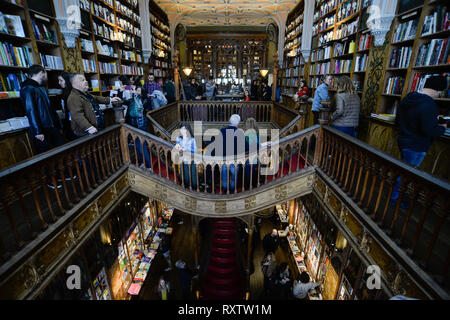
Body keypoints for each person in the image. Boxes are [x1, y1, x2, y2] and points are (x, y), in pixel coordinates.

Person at [391, 75, 447, 205]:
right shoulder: (429, 104)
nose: (439, 94)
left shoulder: (408, 98)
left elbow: (398, 120)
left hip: (403, 140)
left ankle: (396, 197)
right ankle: (395, 199)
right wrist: (443, 128)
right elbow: (429, 131)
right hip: (417, 145)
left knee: (404, 171)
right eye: (440, 92)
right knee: (407, 174)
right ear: (438, 89)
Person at [20, 65, 64, 154]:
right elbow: (31, 111)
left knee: (62, 152)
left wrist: (58, 125)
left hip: (52, 127)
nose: (47, 77)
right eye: (46, 73)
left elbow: (50, 108)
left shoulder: (41, 88)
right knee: (49, 157)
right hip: (42, 130)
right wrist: (38, 131)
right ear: (41, 73)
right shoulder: (27, 88)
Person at [220, 114, 245, 193]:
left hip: (224, 158)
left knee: (224, 175)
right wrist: (259, 146)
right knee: (234, 176)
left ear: (229, 121)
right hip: (235, 159)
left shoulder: (222, 131)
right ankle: (232, 190)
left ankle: (224, 189)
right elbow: (246, 146)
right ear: (238, 123)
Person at [174, 124, 198, 189]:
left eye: (184, 129)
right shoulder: (179, 139)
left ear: (188, 130)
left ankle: (194, 188)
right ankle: (186, 187)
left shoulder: (192, 139)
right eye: (181, 129)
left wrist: (186, 150)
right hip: (183, 159)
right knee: (185, 175)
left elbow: (195, 151)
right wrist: (178, 147)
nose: (182, 130)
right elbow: (176, 147)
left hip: (191, 160)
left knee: (193, 175)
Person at [58, 72, 77, 142]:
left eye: (61, 80)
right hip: (68, 121)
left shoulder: (72, 93)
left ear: (67, 80)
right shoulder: (64, 92)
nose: (59, 83)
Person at [244, 117, 259, 189]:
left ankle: (248, 188)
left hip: (247, 157)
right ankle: (252, 186)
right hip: (254, 157)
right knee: (252, 173)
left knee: (247, 174)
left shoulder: (247, 135)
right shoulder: (256, 134)